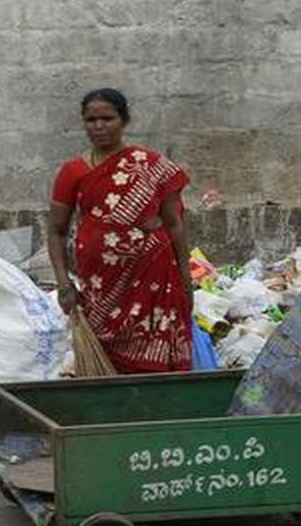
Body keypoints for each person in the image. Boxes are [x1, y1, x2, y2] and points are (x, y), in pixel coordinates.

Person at [47, 88, 193, 374]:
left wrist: (186, 282)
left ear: (123, 121)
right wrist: (64, 285)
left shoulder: (150, 165)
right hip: (101, 283)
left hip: (153, 276)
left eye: (107, 118)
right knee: (104, 349)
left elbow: (174, 223)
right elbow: (56, 231)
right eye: (91, 120)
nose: (99, 126)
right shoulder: (72, 172)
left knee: (156, 353)